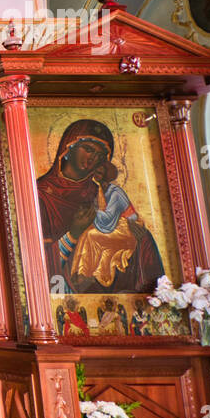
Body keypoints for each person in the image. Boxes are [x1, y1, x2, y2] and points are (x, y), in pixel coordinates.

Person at [36, 118, 164, 294]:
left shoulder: (102, 194)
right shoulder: (40, 194)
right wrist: (73, 234)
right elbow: (32, 260)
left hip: (114, 291)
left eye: (100, 156)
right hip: (65, 294)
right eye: (88, 149)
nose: (93, 158)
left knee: (143, 238)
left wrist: (139, 235)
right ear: (68, 148)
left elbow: (123, 227)